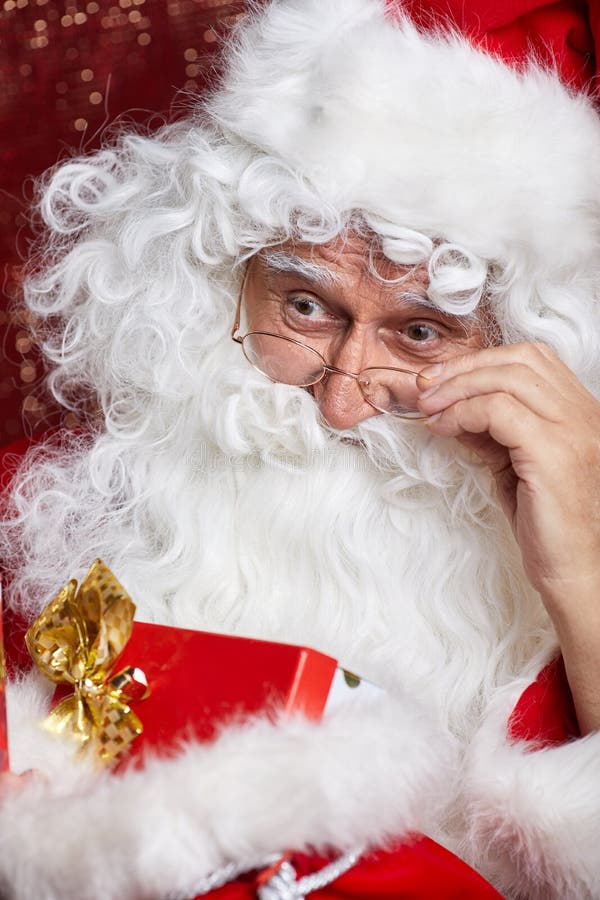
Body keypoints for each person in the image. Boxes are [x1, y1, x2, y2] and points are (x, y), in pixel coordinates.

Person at [1, 0, 600, 897]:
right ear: (214, 277)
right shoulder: (51, 516)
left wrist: (582, 565)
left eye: (421, 333)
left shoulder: (571, 555)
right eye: (307, 306)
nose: (344, 398)